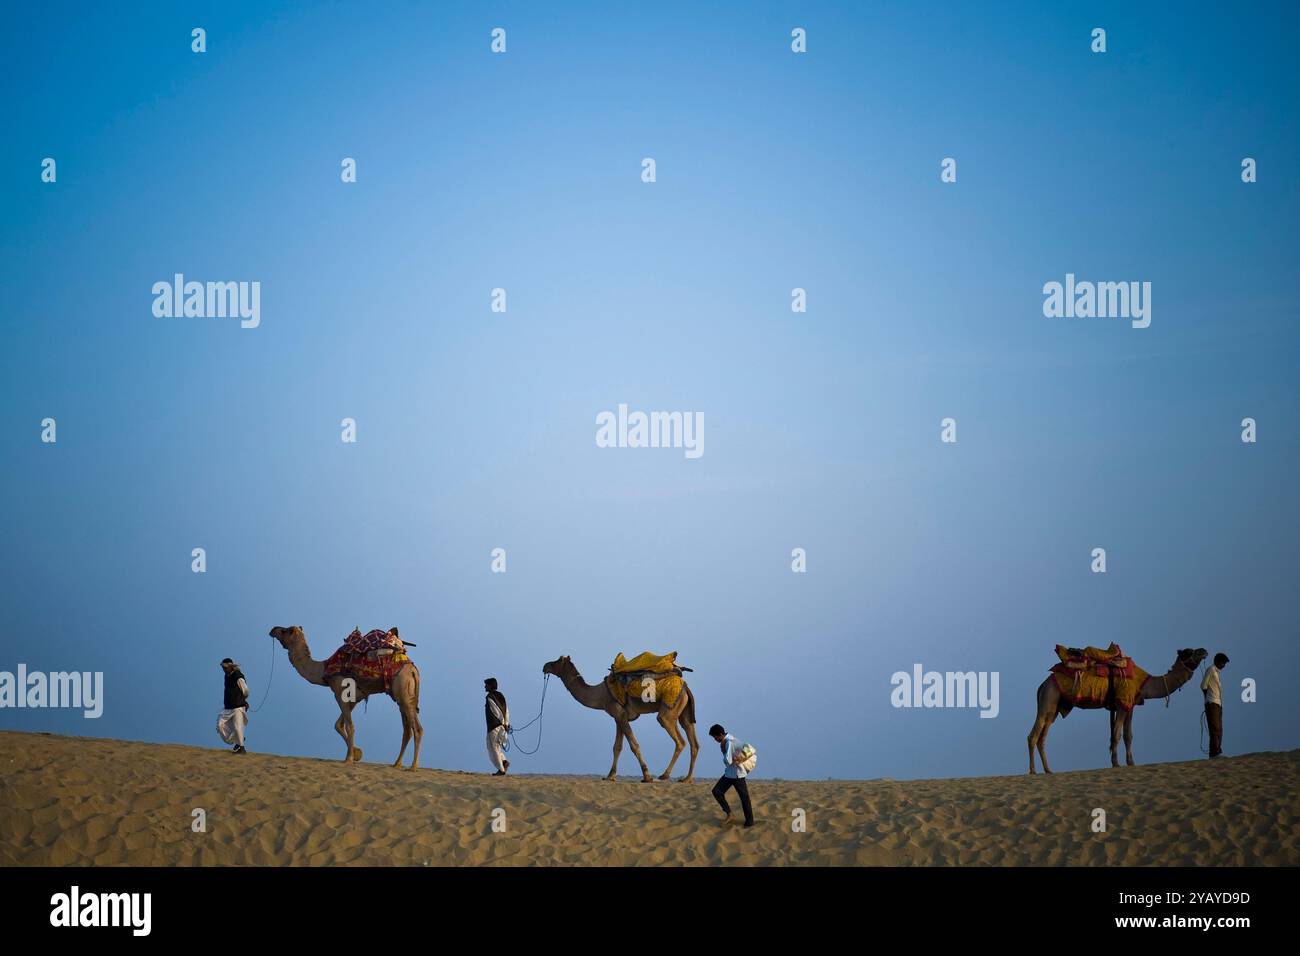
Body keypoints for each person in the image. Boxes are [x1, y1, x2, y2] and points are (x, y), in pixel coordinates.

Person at [708, 723, 754, 827]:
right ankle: (730, 814)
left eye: (715, 737)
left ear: (720, 734)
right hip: (729, 774)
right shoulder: (731, 739)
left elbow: (727, 761)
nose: (715, 740)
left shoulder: (728, 742)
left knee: (744, 798)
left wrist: (723, 751)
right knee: (717, 791)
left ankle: (750, 822)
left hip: (737, 774)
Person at [217, 658, 250, 754]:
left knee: (238, 727)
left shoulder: (238, 676)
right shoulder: (226, 676)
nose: (224, 669)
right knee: (220, 725)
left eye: (225, 667)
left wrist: (244, 700)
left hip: (238, 706)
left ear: (231, 667)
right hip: (228, 707)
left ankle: (242, 748)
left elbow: (246, 690)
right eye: (223, 667)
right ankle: (238, 739)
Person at [1201, 652, 1229, 758]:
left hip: (1218, 703)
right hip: (1212, 703)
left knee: (1219, 729)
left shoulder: (1216, 672)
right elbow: (1203, 685)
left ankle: (1218, 751)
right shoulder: (1211, 670)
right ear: (1218, 661)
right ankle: (1214, 753)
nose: (1224, 665)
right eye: (1223, 663)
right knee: (1214, 729)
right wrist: (1207, 698)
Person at [485, 677, 510, 776]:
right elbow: (506, 711)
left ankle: (501, 770)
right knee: (494, 746)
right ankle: (503, 762)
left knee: (493, 747)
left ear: (490, 686)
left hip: (494, 726)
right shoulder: (501, 696)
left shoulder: (490, 697)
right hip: (502, 727)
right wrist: (506, 724)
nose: (485, 686)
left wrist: (503, 723)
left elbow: (496, 711)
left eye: (486, 685)